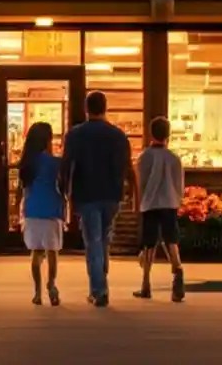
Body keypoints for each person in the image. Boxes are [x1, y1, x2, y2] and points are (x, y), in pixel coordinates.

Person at [59, 90, 135, 307]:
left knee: (93, 241)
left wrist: (64, 190)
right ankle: (101, 281)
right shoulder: (118, 136)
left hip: (87, 194)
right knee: (103, 239)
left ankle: (99, 290)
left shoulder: (75, 135)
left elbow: (66, 165)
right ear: (105, 108)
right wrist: (129, 192)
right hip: (112, 194)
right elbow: (126, 166)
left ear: (86, 108)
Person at [133, 116, 185, 302]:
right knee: (171, 240)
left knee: (149, 243)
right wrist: (177, 200)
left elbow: (141, 183)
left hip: (150, 203)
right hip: (170, 202)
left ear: (151, 133)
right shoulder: (174, 158)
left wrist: (139, 204)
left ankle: (146, 284)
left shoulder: (144, 157)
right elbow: (180, 185)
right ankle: (178, 271)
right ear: (168, 134)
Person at [17, 121, 64, 306]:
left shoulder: (27, 163)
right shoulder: (54, 163)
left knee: (36, 252)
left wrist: (17, 209)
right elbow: (62, 185)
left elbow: (22, 189)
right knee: (52, 252)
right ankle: (51, 284)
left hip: (33, 210)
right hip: (52, 209)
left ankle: (37, 293)